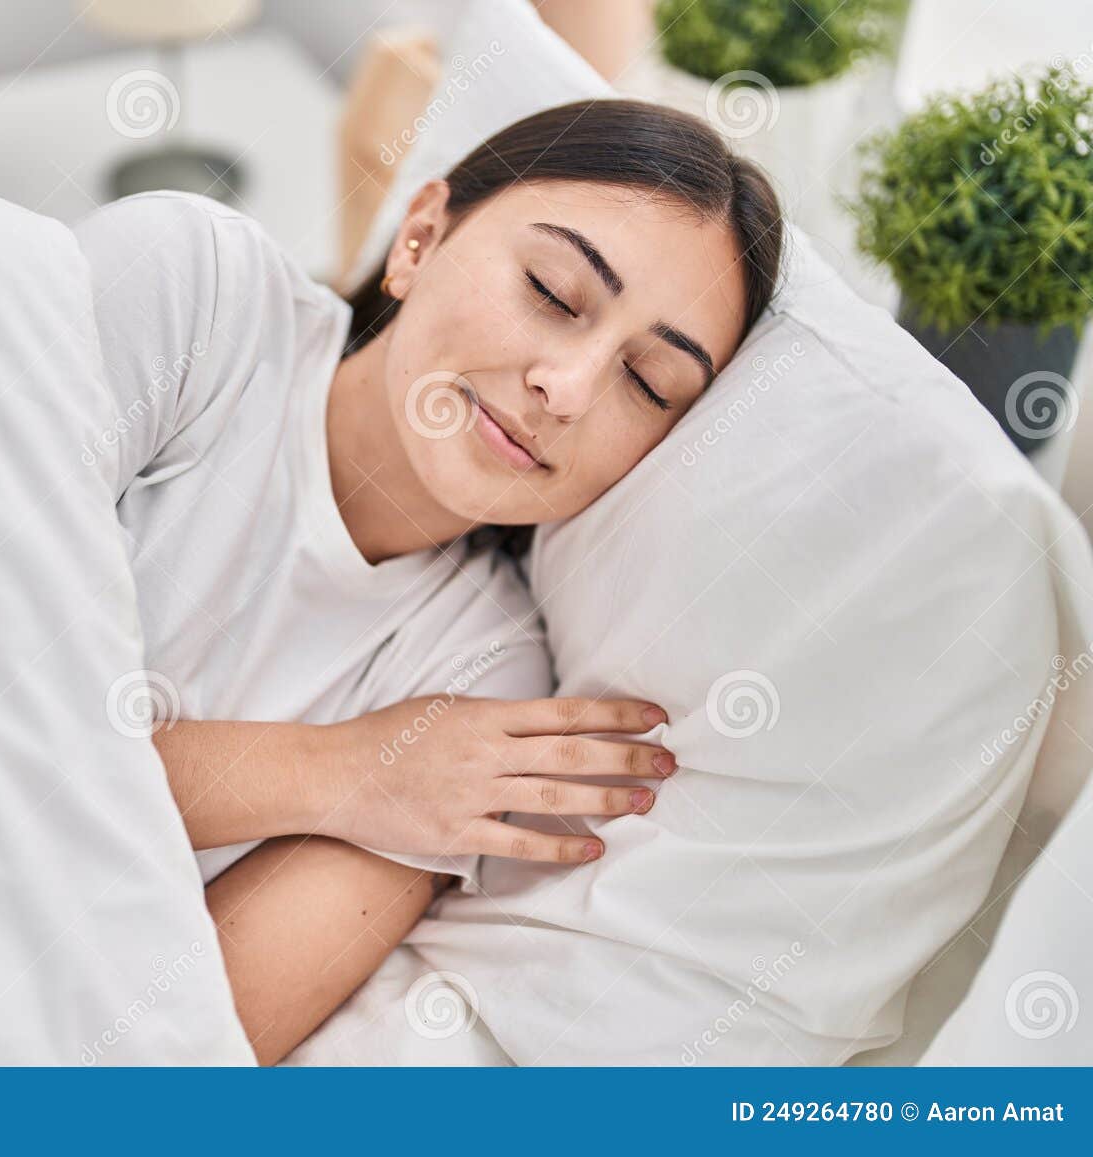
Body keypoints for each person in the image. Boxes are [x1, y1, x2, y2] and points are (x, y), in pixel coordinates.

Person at [72, 99, 785, 1063]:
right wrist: (349, 772)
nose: (566, 388)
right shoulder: (190, 292)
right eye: (552, 289)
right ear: (419, 238)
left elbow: (163, 1050)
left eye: (648, 384)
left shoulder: (481, 686)